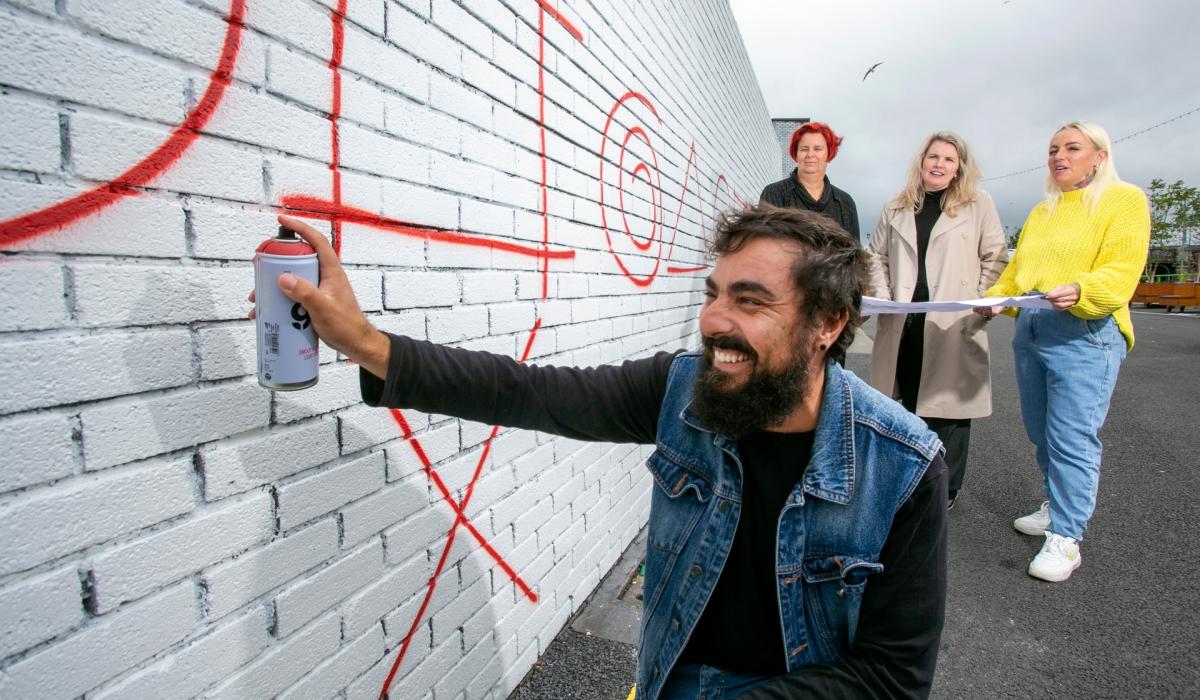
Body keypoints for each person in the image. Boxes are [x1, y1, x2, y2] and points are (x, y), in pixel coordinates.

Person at [253, 206, 948, 699]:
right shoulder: (683, 391)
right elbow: (531, 392)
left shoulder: (904, 466)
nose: (713, 320)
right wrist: (367, 344)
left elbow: (892, 678)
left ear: (828, 323)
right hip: (669, 678)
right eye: (713, 294)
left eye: (750, 301)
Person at [976, 121, 1150, 583]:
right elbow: (1019, 272)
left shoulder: (1124, 200)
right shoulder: (1043, 210)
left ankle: (1067, 538)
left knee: (1072, 436)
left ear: (1099, 156)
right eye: (1053, 149)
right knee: (1040, 430)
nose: (1059, 156)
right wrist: (995, 298)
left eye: (1073, 148)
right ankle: (1056, 505)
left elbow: (1122, 268)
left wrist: (1082, 288)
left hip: (1085, 329)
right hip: (1033, 329)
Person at [866, 132, 1008, 510]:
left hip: (952, 321)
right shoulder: (896, 206)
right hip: (904, 321)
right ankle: (906, 481)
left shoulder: (978, 204)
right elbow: (875, 256)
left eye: (948, 159)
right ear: (922, 160)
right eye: (933, 156)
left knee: (948, 410)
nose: (939, 164)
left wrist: (979, 299)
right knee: (905, 401)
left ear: (959, 168)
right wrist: (882, 294)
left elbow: (996, 255)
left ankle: (945, 489)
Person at [760, 122, 861, 244]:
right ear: (796, 154)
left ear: (829, 154)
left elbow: (854, 252)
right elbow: (765, 246)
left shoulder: (845, 203)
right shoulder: (774, 193)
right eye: (804, 149)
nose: (810, 154)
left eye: (817, 149)